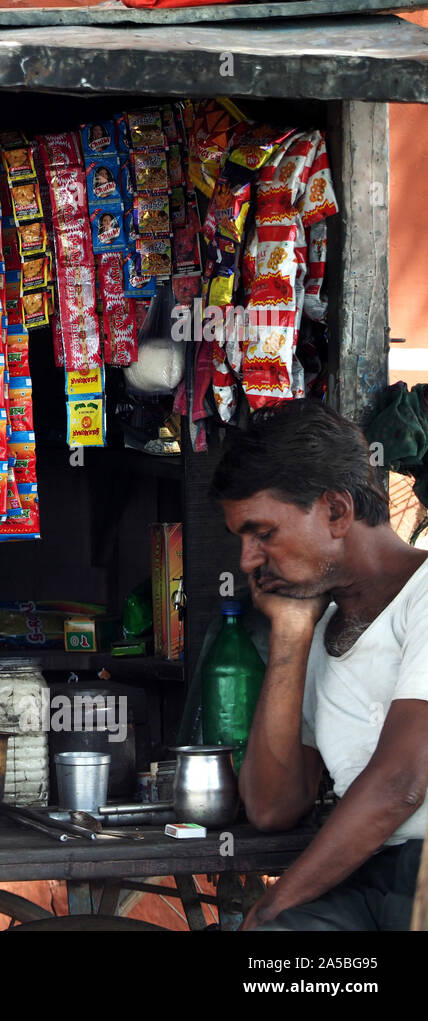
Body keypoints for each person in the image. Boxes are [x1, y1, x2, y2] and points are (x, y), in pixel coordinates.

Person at [210, 399, 428, 931]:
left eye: (263, 533)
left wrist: (276, 902)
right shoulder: (324, 621)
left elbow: (402, 781)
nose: (248, 561)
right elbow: (272, 807)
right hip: (369, 878)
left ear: (336, 511)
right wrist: (289, 636)